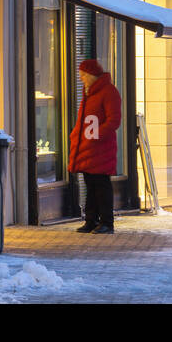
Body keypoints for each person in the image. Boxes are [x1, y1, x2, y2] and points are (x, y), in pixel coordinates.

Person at [69, 58, 122, 233]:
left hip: (101, 148)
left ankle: (107, 222)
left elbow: (114, 120)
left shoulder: (108, 92)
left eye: (83, 75)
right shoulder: (89, 93)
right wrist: (77, 137)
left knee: (101, 186)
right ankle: (91, 220)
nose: (81, 78)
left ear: (92, 75)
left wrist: (96, 134)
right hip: (88, 148)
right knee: (90, 186)